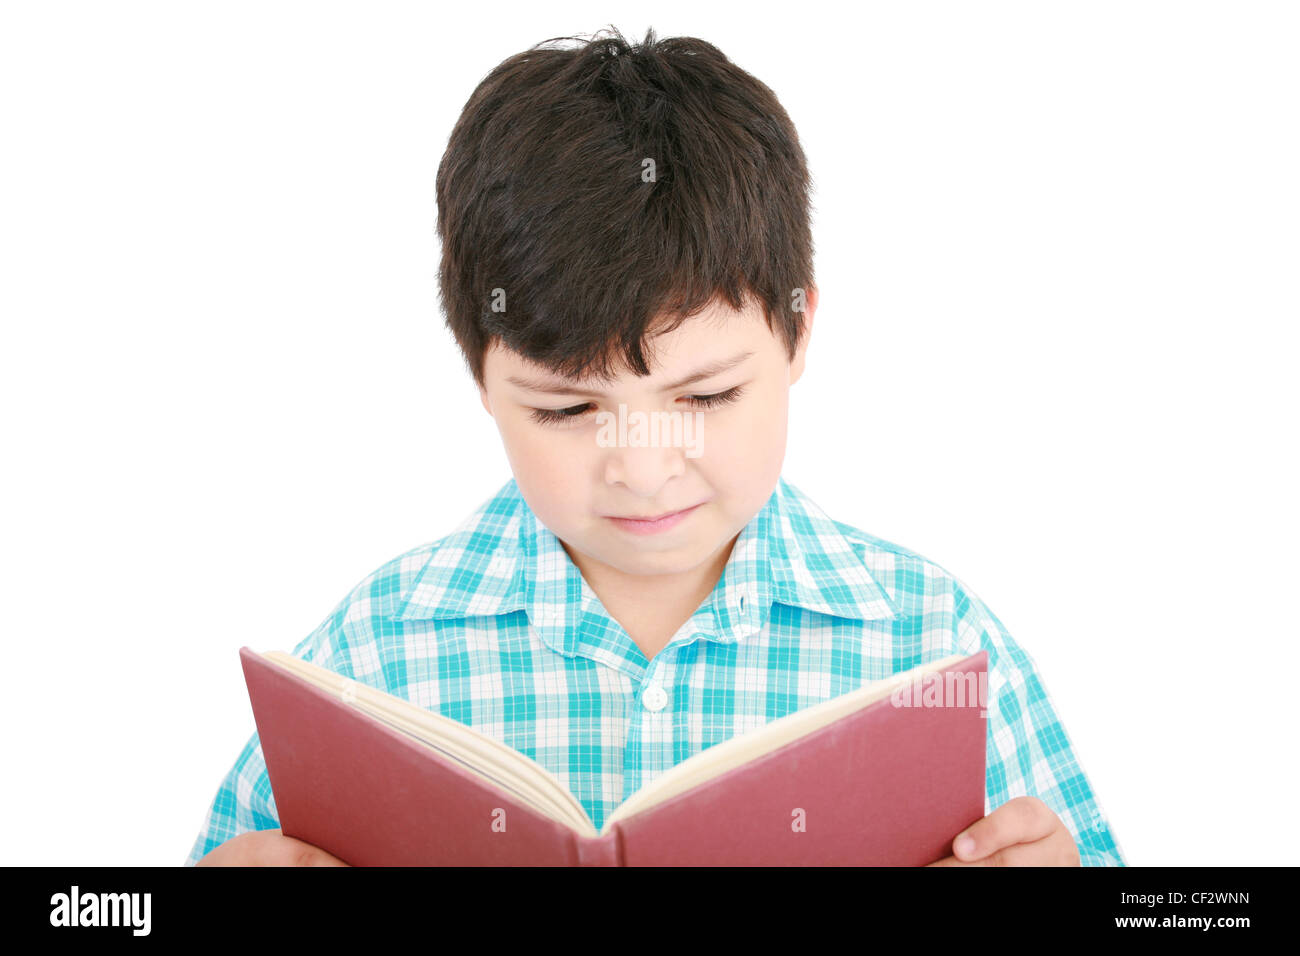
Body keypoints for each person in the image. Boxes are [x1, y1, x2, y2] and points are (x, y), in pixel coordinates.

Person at [188, 26, 1125, 867]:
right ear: (479, 375)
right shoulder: (374, 660)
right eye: (566, 410)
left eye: (707, 395)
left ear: (798, 337)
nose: (642, 465)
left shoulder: (932, 647)